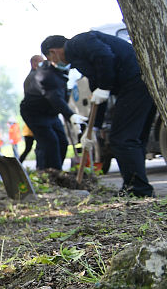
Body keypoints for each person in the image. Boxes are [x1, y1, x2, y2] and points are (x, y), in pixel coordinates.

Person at [42, 32, 156, 197]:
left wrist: (105, 86)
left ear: (53, 52)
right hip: (139, 83)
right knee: (134, 138)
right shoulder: (78, 58)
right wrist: (93, 128)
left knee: (122, 138)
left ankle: (138, 189)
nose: (54, 63)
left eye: (50, 59)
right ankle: (136, 186)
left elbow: (104, 55)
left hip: (135, 82)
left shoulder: (79, 43)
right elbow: (97, 90)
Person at [19, 54, 75, 172]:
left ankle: (55, 170)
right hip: (35, 113)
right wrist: (70, 115)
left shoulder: (57, 74)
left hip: (51, 113)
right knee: (50, 142)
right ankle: (51, 173)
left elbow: (61, 95)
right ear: (34, 64)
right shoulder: (34, 77)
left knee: (62, 142)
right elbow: (52, 96)